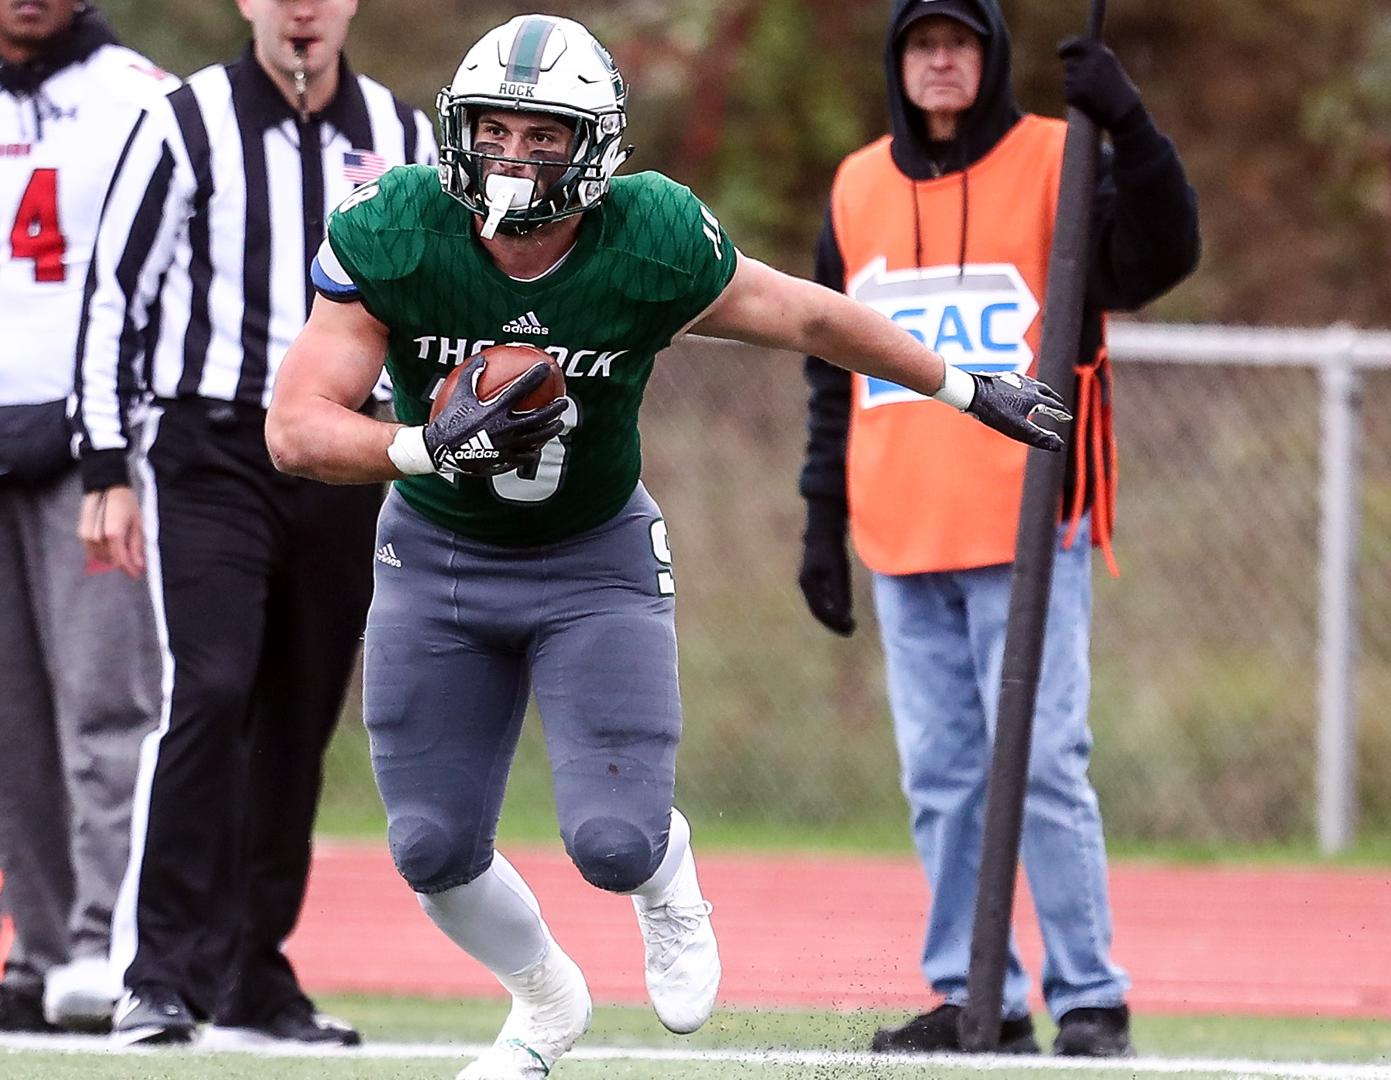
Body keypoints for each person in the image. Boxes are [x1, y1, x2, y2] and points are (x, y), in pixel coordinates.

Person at [260, 14, 1073, 1079]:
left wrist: (966, 387)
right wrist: (423, 444)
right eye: (495, 129)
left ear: (592, 146)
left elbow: (811, 318)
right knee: (430, 847)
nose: (513, 155)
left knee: (613, 842)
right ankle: (545, 1005)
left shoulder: (647, 241)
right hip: (441, 556)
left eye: (542, 135)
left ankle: (667, 875)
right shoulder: (403, 230)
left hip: (591, 560)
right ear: (458, 131)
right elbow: (294, 426)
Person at [797, 0, 1199, 1057]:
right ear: (898, 60)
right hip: (898, 529)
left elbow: (1160, 258)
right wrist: (818, 520)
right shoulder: (856, 185)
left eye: (959, 43)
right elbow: (829, 367)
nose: (940, 61)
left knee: (1048, 763)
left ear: (991, 57)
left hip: (1026, 525)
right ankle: (981, 995)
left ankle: (1090, 995)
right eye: (921, 44)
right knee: (940, 777)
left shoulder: (1059, 160)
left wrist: (1132, 126)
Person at [72, 0, 437, 1050]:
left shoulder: (403, 136)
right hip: (212, 448)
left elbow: (438, 292)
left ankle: (255, 971)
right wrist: (106, 464)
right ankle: (158, 973)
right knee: (215, 687)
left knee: (300, 714)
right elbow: (114, 294)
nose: (304, 9)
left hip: (338, 454)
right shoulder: (182, 122)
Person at [0, 0, 177, 1034]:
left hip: (99, 451)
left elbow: (170, 278)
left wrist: (103, 427)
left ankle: (114, 947)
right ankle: (44, 955)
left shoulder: (143, 102)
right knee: (0, 709)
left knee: (109, 705)